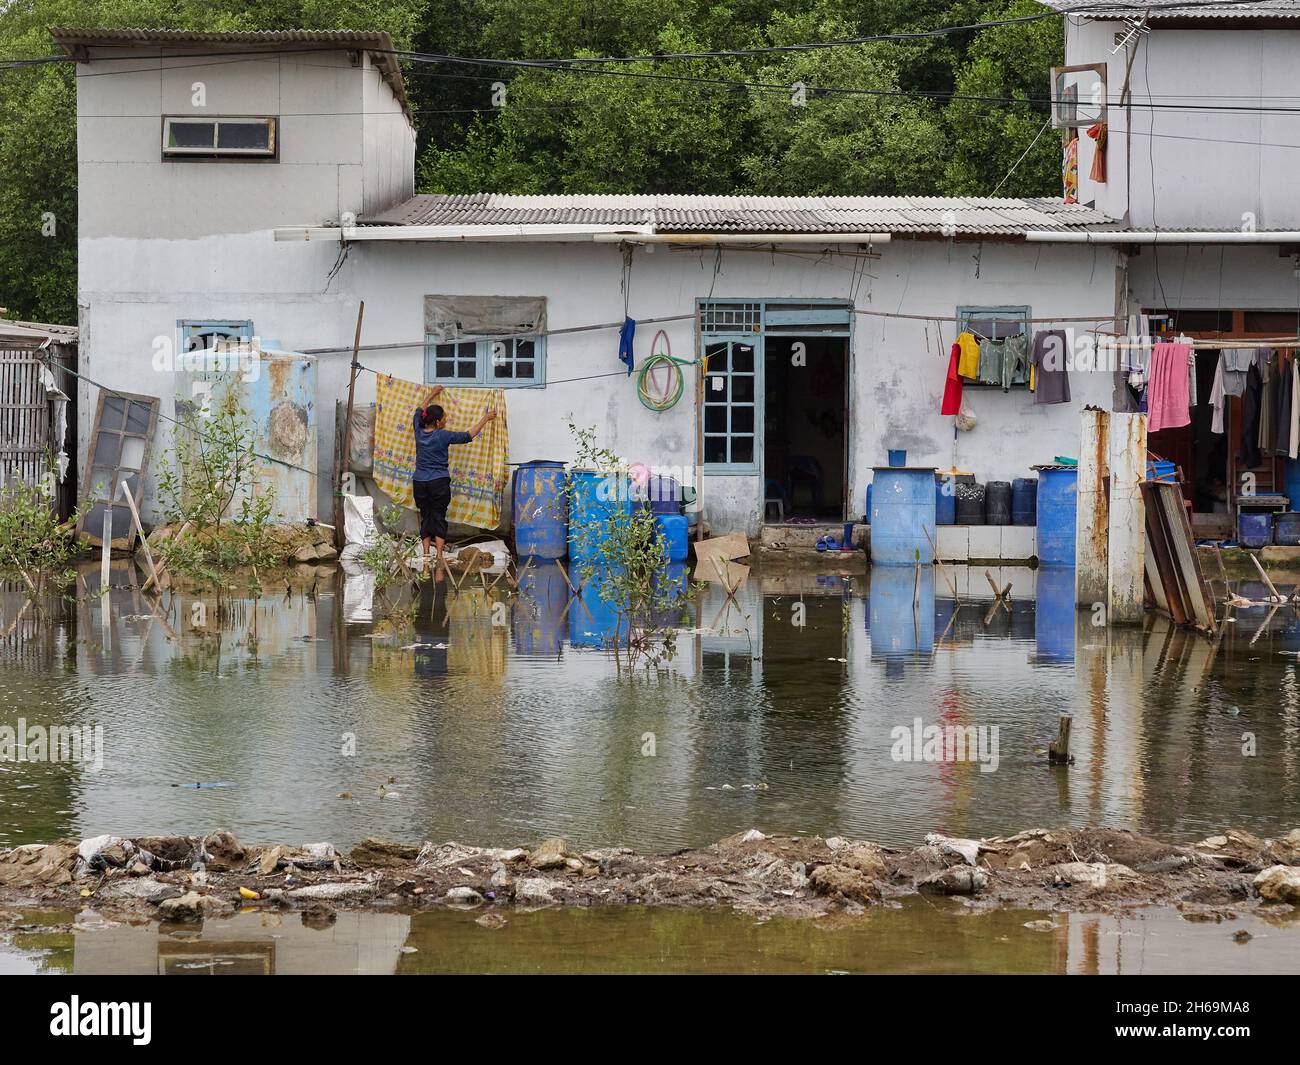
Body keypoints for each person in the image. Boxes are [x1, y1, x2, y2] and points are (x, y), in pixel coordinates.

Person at [412, 385, 496, 566]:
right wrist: (485, 418)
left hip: (419, 482)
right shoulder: (442, 435)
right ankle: (439, 556)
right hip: (438, 483)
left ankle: (426, 555)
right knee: (439, 516)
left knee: (426, 515)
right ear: (436, 423)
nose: (446, 419)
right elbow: (468, 435)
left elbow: (421, 407)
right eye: (444, 418)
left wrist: (432, 394)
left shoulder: (418, 431)